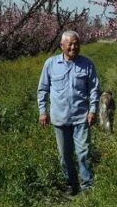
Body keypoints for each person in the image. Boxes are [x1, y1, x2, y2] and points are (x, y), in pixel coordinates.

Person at [37, 30, 100, 195]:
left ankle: (87, 186)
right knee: (65, 156)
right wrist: (42, 112)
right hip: (60, 118)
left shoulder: (87, 64)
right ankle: (71, 184)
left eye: (76, 44)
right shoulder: (50, 64)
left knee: (83, 153)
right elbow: (42, 89)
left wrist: (93, 110)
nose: (73, 47)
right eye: (70, 44)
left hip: (81, 117)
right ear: (62, 46)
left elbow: (94, 89)